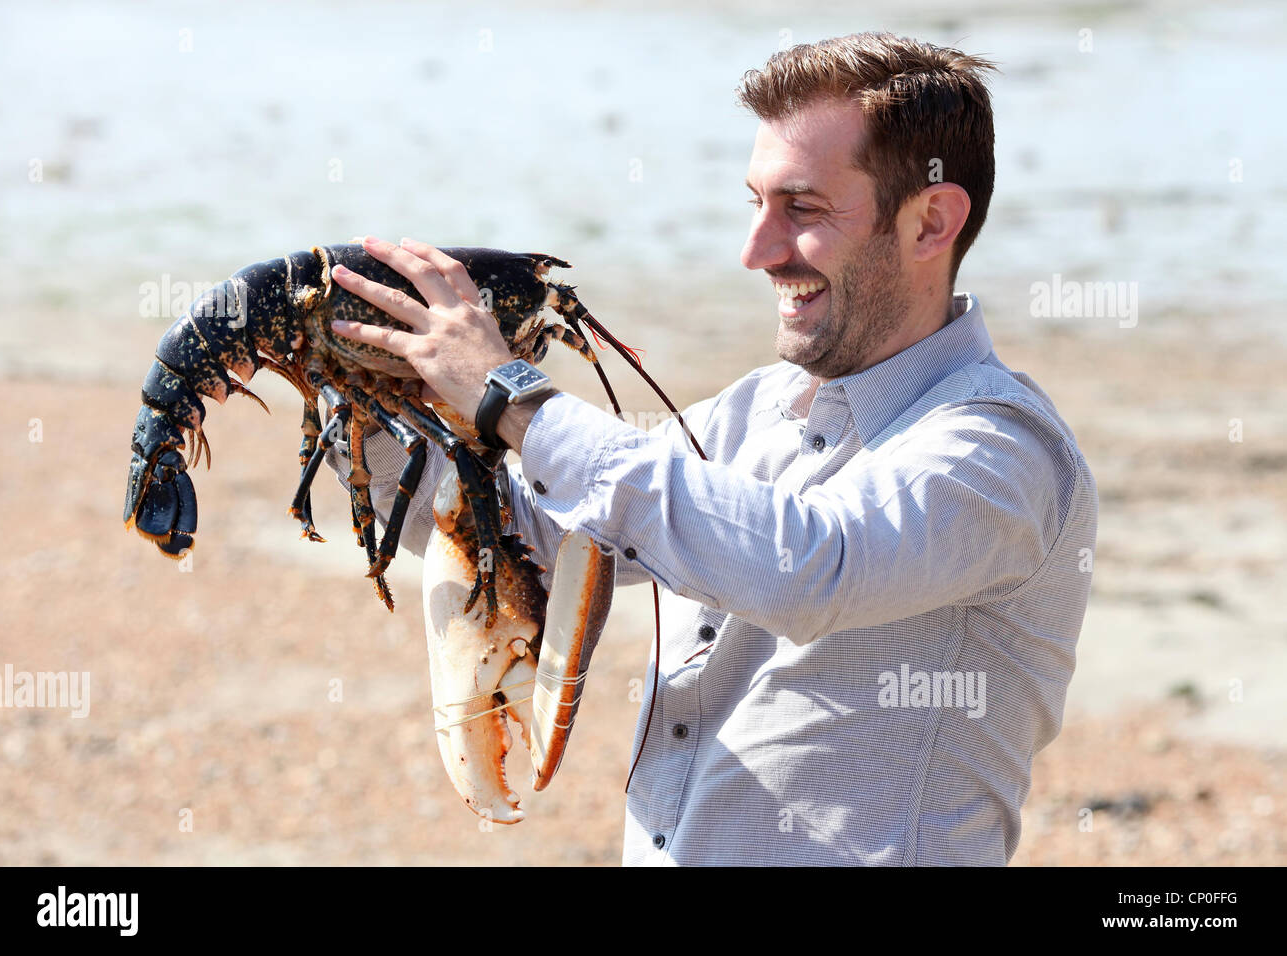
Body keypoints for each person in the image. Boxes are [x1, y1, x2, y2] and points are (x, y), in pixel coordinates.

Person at [324, 32, 1098, 866]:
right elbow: (518, 533)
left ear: (931, 222)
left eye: (802, 210)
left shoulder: (1000, 450)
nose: (756, 251)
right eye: (755, 203)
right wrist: (348, 386)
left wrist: (512, 395)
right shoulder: (752, 411)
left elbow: (812, 567)